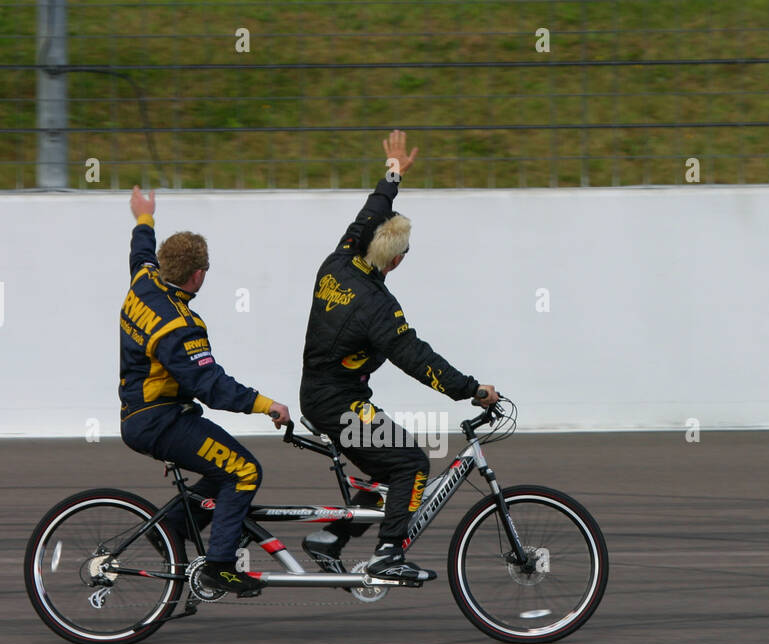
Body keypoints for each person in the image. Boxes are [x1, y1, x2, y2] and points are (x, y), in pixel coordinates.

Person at [298, 131, 499, 582]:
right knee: (410, 463)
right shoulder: (379, 309)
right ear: (396, 261)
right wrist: (472, 390)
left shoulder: (339, 259)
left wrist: (393, 174)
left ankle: (330, 537)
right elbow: (418, 359)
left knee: (386, 463)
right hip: (338, 403)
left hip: (323, 393)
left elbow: (369, 212)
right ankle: (389, 554)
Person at [119, 186, 290, 597]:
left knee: (221, 465)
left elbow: (140, 250)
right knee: (244, 471)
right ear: (198, 275)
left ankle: (171, 530)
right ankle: (220, 566)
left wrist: (144, 217)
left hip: (145, 412)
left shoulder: (144, 281)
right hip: (159, 419)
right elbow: (211, 387)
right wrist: (268, 405)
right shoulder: (179, 325)